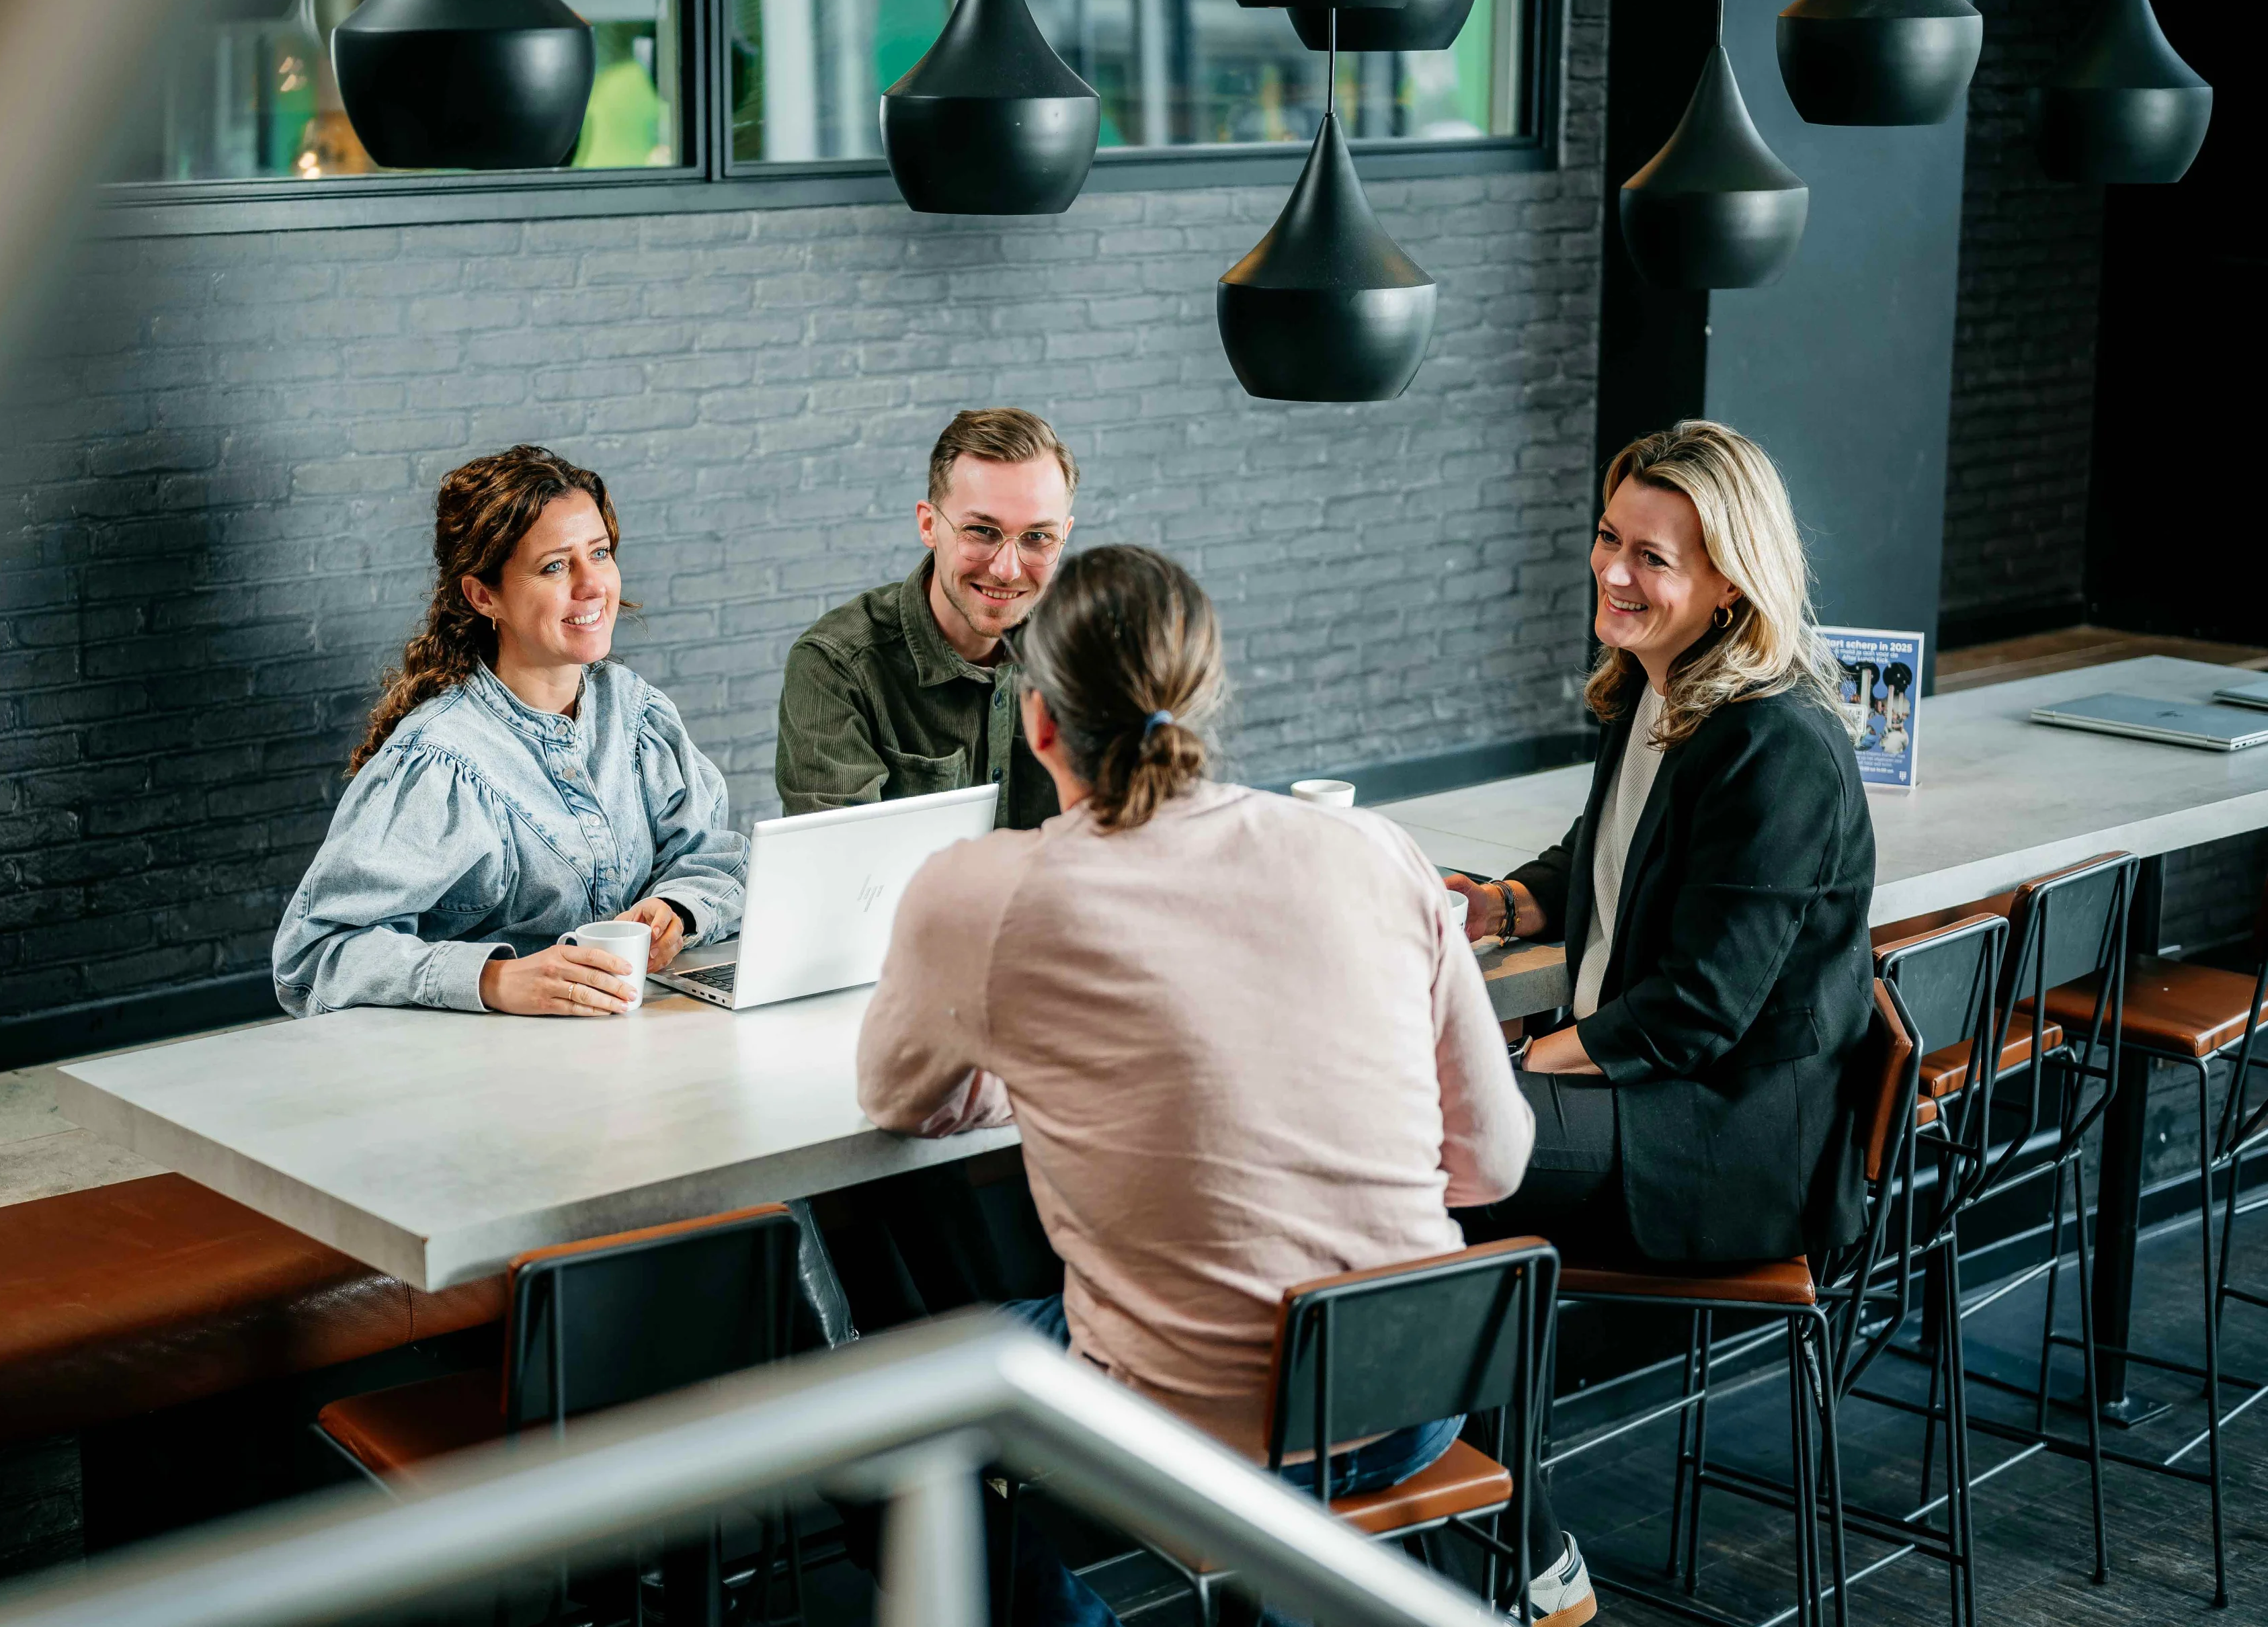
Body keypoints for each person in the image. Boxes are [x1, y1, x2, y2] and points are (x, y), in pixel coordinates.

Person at [858, 546, 1590, 1627]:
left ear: (1039, 719)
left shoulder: (982, 890)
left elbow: (897, 1098)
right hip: (1415, 1388)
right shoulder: (1375, 849)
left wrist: (1038, 1072)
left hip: (1182, 1428)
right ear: (1207, 696)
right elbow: (1494, 1161)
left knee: (879, 1407)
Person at [1445, 417, 1877, 1270]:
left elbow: (1698, 1008)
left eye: (1653, 557)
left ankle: (1435, 1405)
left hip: (1719, 1132)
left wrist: (1520, 1061)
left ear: (1730, 583)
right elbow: (1609, 855)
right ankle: (1434, 1401)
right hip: (1650, 1088)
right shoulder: (1660, 682)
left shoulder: (1775, 743)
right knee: (1420, 1130)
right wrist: (1497, 902)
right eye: (1610, 536)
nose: (1613, 571)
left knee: (1435, 1140)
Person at [274, 446, 745, 1018]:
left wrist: (679, 908)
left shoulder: (636, 712)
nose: (592, 585)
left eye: (599, 553)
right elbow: (316, 955)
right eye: (554, 566)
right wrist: (493, 979)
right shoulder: (439, 762)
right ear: (484, 596)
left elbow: (712, 855)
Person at [776, 407, 1077, 832]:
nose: (1008, 570)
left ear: (1063, 537)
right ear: (929, 524)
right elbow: (843, 878)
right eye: (982, 531)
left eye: (1037, 537)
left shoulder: (1089, 651)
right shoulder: (836, 667)